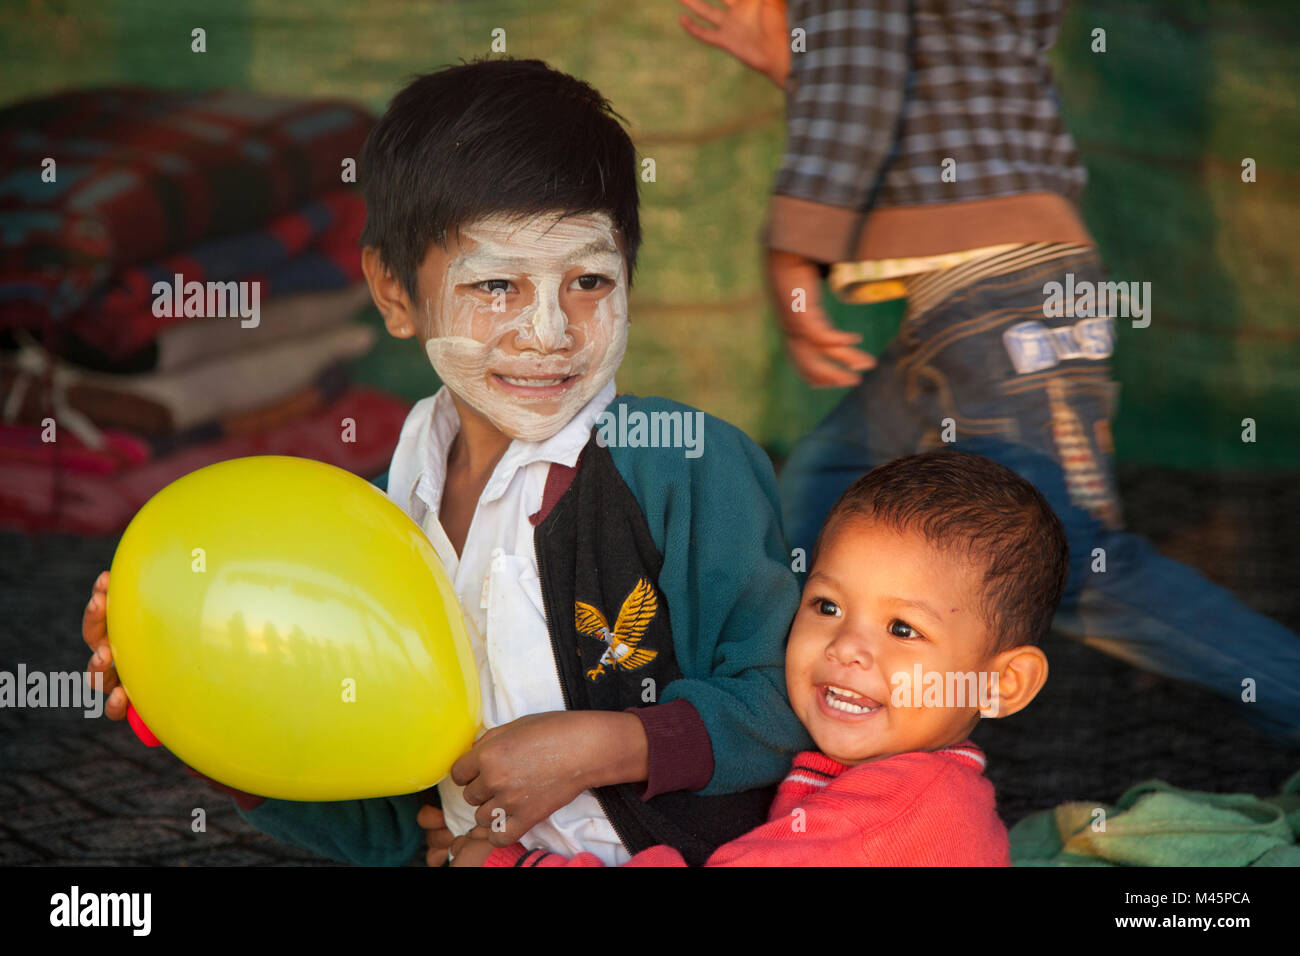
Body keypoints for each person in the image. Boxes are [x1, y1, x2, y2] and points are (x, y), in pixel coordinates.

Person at [82, 57, 812, 867]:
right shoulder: (374, 527)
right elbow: (393, 826)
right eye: (496, 284)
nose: (549, 332)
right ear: (395, 294)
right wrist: (195, 715)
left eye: (589, 280)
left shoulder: (689, 469)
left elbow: (790, 699)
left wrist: (607, 745)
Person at [678, 0, 1300, 743]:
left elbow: (859, 96)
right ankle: (780, 726)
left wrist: (792, 253)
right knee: (829, 476)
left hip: (1001, 301)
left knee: (1068, 561)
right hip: (976, 300)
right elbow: (942, 87)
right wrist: (798, 65)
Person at [451, 450, 1064, 866]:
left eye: (903, 628)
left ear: (1003, 684)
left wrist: (518, 861)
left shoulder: (905, 809)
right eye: (826, 606)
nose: (846, 647)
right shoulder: (917, 787)